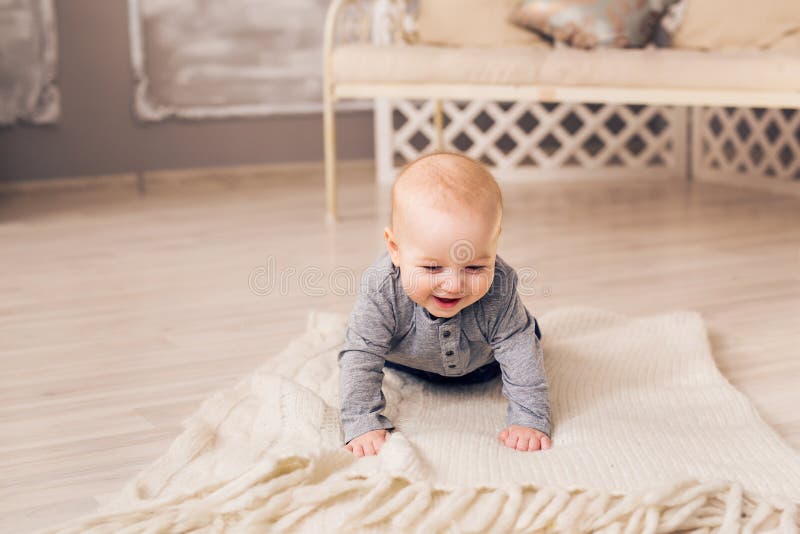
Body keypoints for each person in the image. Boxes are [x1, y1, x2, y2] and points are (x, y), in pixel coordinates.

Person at [338, 151, 551, 457]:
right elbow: (362, 353)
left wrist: (530, 419)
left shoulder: (500, 285)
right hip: (408, 363)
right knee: (357, 341)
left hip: (484, 365)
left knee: (527, 336)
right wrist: (361, 420)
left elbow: (518, 350)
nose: (453, 286)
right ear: (395, 249)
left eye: (475, 267)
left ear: (494, 243)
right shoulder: (381, 288)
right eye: (432, 268)